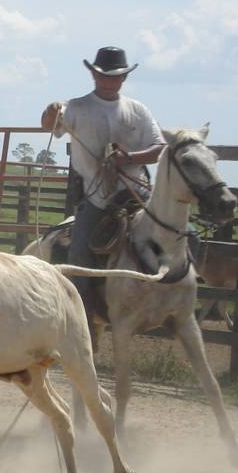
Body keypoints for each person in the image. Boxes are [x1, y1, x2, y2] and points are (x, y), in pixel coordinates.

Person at [40, 46, 165, 308]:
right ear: (94, 76)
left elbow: (159, 148)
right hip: (98, 198)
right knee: (80, 253)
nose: (109, 81)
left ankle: (176, 294)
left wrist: (128, 159)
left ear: (124, 78)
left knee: (181, 234)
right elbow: (48, 124)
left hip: (136, 194)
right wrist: (51, 111)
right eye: (104, 75)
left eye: (115, 76)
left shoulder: (138, 110)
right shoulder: (76, 108)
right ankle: (78, 309)